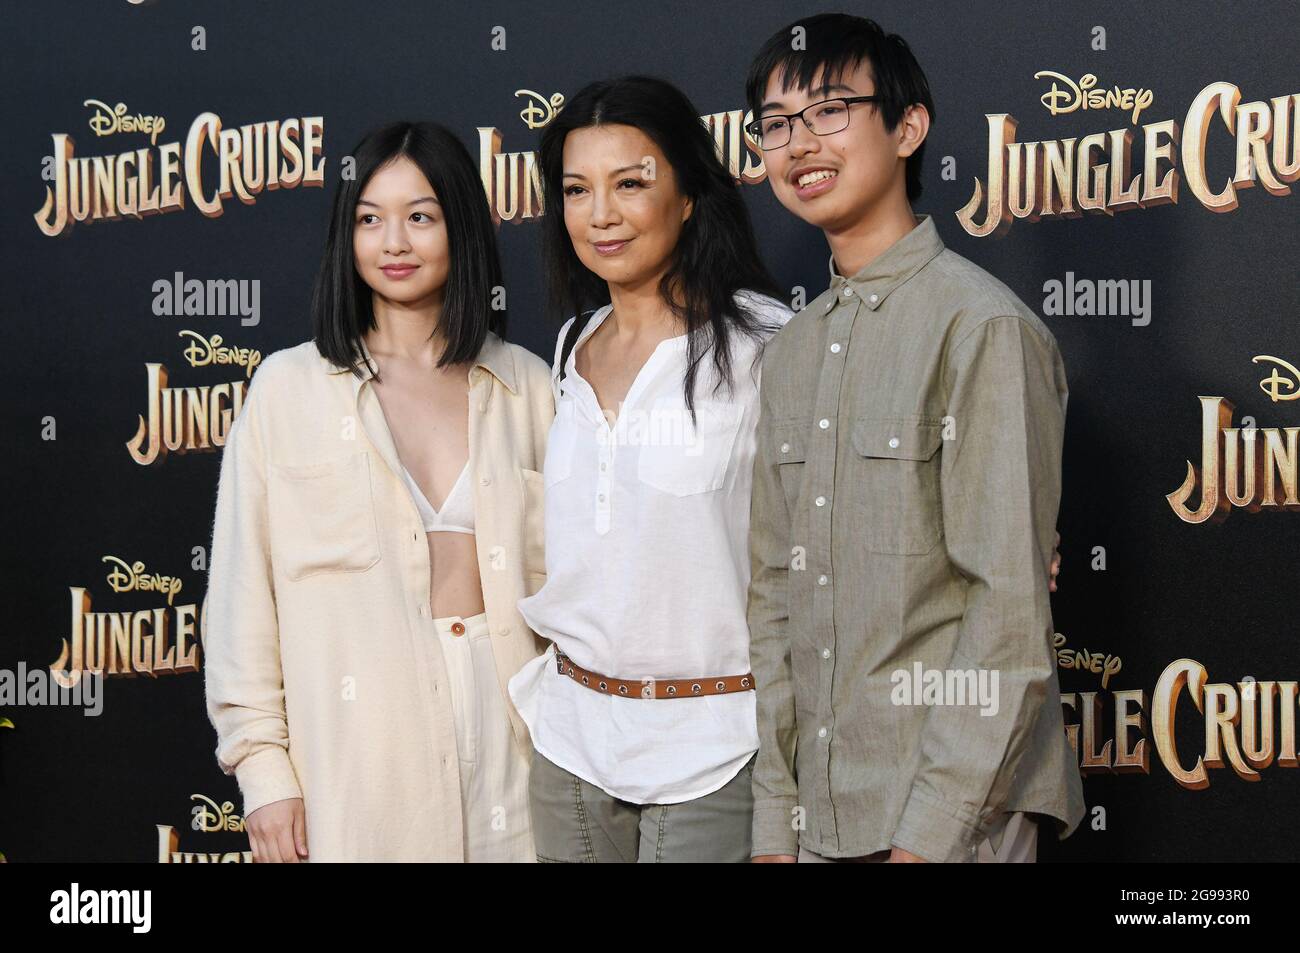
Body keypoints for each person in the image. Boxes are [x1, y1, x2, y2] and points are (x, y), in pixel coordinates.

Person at [743, 14, 1084, 863]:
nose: (798, 144)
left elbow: (1007, 612)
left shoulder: (982, 329)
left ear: (908, 127)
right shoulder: (789, 352)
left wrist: (930, 838)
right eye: (776, 124)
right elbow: (773, 599)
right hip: (816, 822)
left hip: (952, 821)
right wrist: (774, 821)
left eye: (828, 111)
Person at [203, 121, 553, 862]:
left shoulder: (528, 384)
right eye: (370, 218)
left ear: (461, 226)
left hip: (521, 753)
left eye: (420, 216)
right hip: (361, 759)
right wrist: (265, 771)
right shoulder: (286, 390)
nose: (394, 241)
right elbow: (241, 596)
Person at [507, 76, 792, 862]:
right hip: (571, 744)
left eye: (631, 183)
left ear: (690, 194)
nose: (600, 213)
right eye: (576, 189)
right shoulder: (572, 344)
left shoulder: (767, 345)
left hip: (714, 749)